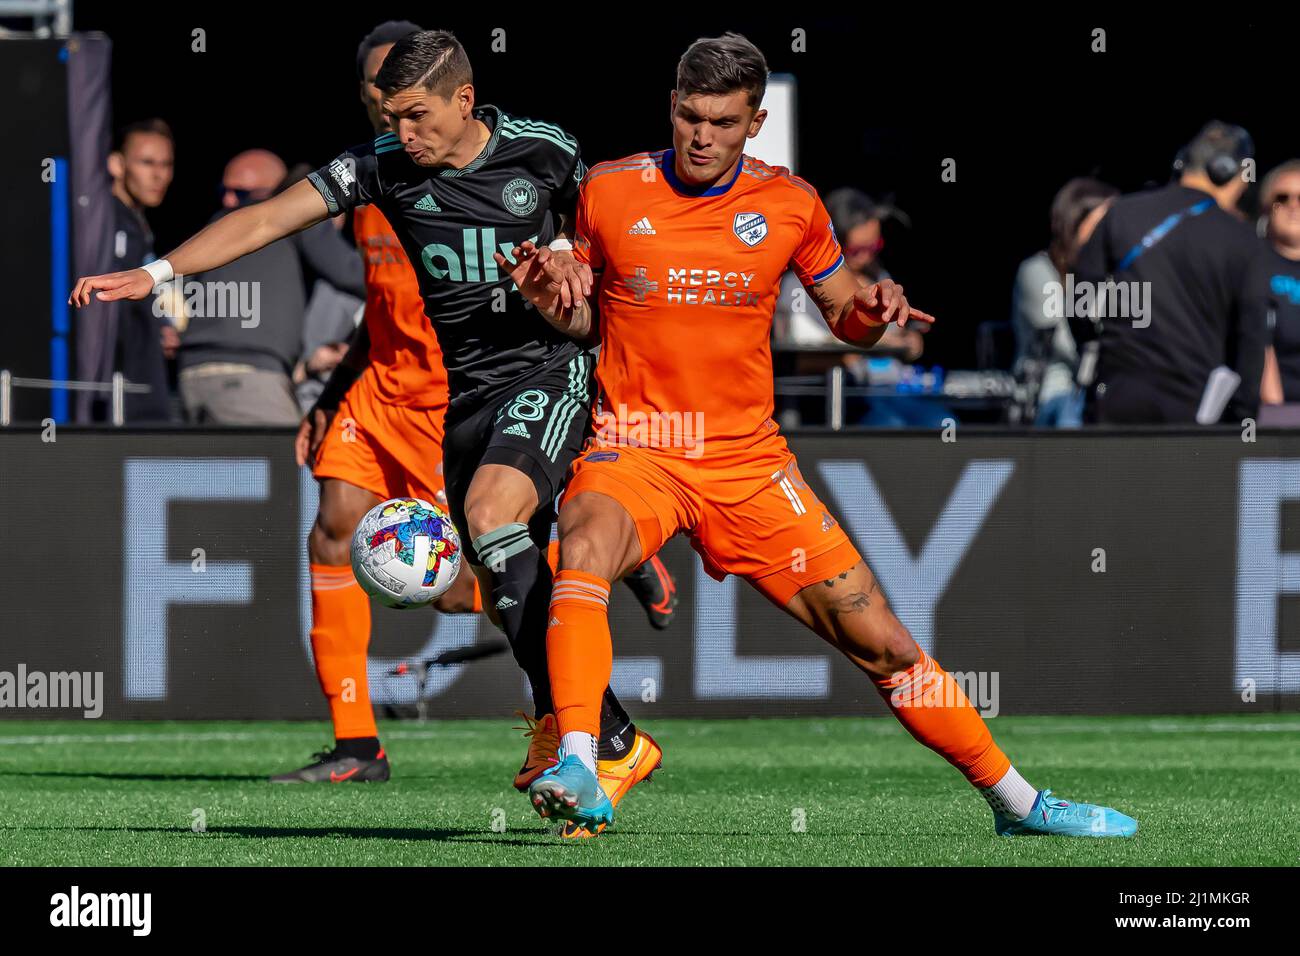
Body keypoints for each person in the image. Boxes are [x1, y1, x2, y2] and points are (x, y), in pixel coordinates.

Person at [503, 32, 1137, 839]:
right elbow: (588, 314)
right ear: (671, 107)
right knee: (580, 551)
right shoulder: (608, 191)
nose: (702, 136)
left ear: (755, 122)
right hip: (639, 446)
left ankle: (1021, 804)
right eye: (690, 116)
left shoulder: (791, 204)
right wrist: (553, 302)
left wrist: (871, 315)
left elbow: (845, 311)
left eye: (723, 122)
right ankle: (585, 765)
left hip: (748, 464)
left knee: (885, 646)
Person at [70, 29, 666, 816]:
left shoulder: (546, 152)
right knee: (493, 569)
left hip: (549, 373)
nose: (402, 133)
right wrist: (152, 274)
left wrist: (574, 274)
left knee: (488, 519)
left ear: (464, 101)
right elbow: (263, 220)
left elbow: (615, 241)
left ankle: (583, 745)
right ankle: (609, 727)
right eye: (390, 115)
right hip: (464, 397)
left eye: (415, 116)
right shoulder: (380, 167)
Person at [1074, 121, 1268, 424]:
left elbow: (1081, 298)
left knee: (1114, 473)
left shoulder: (1122, 213)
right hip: (1195, 408)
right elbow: (1251, 340)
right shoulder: (1244, 240)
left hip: (1117, 395)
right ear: (1228, 170)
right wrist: (1242, 418)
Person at [177, 149, 367, 424]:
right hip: (249, 377)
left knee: (223, 467)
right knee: (288, 465)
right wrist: (416, 284)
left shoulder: (216, 225)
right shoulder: (292, 213)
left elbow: (179, 288)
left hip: (190, 375)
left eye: (241, 194)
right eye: (225, 191)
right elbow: (351, 273)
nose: (230, 202)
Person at [1011, 178, 1117, 427]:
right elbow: (1069, 344)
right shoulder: (1036, 271)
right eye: (1104, 223)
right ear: (1077, 223)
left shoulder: (1110, 273)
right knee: (1074, 411)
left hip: (1099, 388)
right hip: (1052, 392)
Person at [107, 118, 177, 422]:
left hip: (141, 384)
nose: (158, 174)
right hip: (117, 392)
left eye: (166, 163)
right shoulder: (104, 222)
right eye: (147, 162)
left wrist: (160, 323)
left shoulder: (138, 225)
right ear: (117, 164)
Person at [1256, 161, 1300, 406]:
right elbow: (1259, 342)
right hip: (1274, 415)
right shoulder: (1252, 264)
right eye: (1283, 198)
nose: (1293, 205)